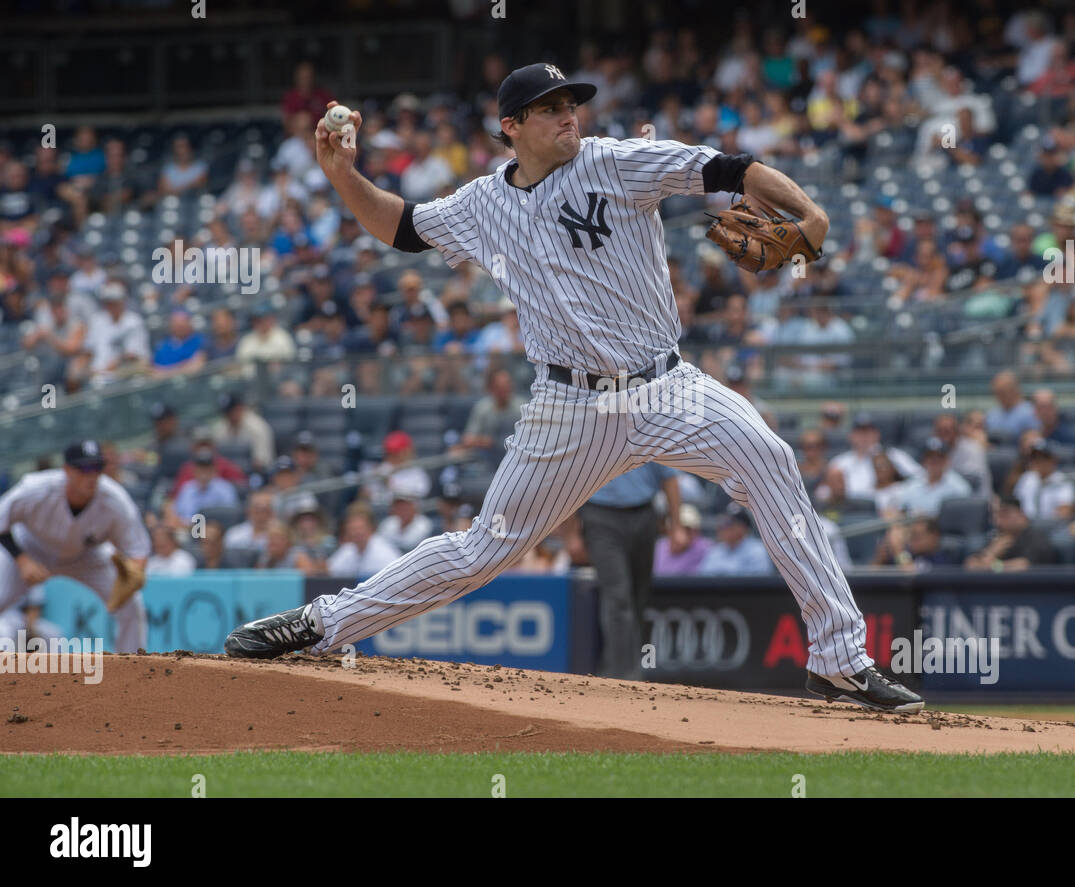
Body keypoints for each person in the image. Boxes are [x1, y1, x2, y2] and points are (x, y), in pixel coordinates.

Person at [226, 62, 922, 713]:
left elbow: (733, 170)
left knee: (769, 458)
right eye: (550, 108)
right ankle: (321, 623)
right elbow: (402, 228)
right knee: (483, 548)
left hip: (664, 385)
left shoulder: (616, 161)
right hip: (569, 406)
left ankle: (838, 656)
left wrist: (813, 216)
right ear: (511, 127)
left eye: (571, 105)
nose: (569, 117)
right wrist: (344, 175)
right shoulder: (482, 203)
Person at [0, 442, 150, 652]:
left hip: (86, 556)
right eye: (84, 468)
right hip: (30, 547)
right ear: (67, 470)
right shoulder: (35, 489)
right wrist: (22, 559)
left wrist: (133, 576)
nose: (92, 475)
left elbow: (138, 549)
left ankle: (134, 667)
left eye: (97, 467)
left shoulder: (116, 500)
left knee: (131, 604)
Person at [576, 462, 680, 679]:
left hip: (644, 513)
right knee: (618, 596)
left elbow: (669, 477)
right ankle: (622, 675)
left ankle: (623, 667)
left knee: (638, 598)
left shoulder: (648, 429)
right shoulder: (590, 431)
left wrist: (676, 526)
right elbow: (565, 481)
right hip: (600, 516)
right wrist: (569, 535)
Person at [965, 496, 1060, 571]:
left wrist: (993, 566)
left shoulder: (1036, 537)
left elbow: (1024, 566)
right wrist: (991, 552)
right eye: (996, 515)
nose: (998, 520)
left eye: (1004, 514)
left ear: (1022, 514)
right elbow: (971, 564)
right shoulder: (997, 537)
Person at [897, 438, 972, 518]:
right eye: (930, 458)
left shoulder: (959, 486)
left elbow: (962, 517)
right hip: (912, 526)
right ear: (924, 461)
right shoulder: (913, 483)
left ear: (947, 460)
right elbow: (901, 509)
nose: (935, 461)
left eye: (939, 458)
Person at [327, 504, 402, 580]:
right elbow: (329, 570)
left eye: (360, 528)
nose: (356, 532)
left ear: (371, 528)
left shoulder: (384, 553)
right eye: (353, 528)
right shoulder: (348, 548)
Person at [697, 503, 773, 575]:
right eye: (722, 523)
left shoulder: (757, 550)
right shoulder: (716, 550)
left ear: (743, 528)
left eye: (728, 523)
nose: (723, 528)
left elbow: (759, 582)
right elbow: (704, 577)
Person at [653, 503, 711, 575]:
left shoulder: (706, 550)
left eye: (688, 529)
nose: (683, 533)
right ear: (668, 530)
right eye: (680, 527)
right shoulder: (659, 547)